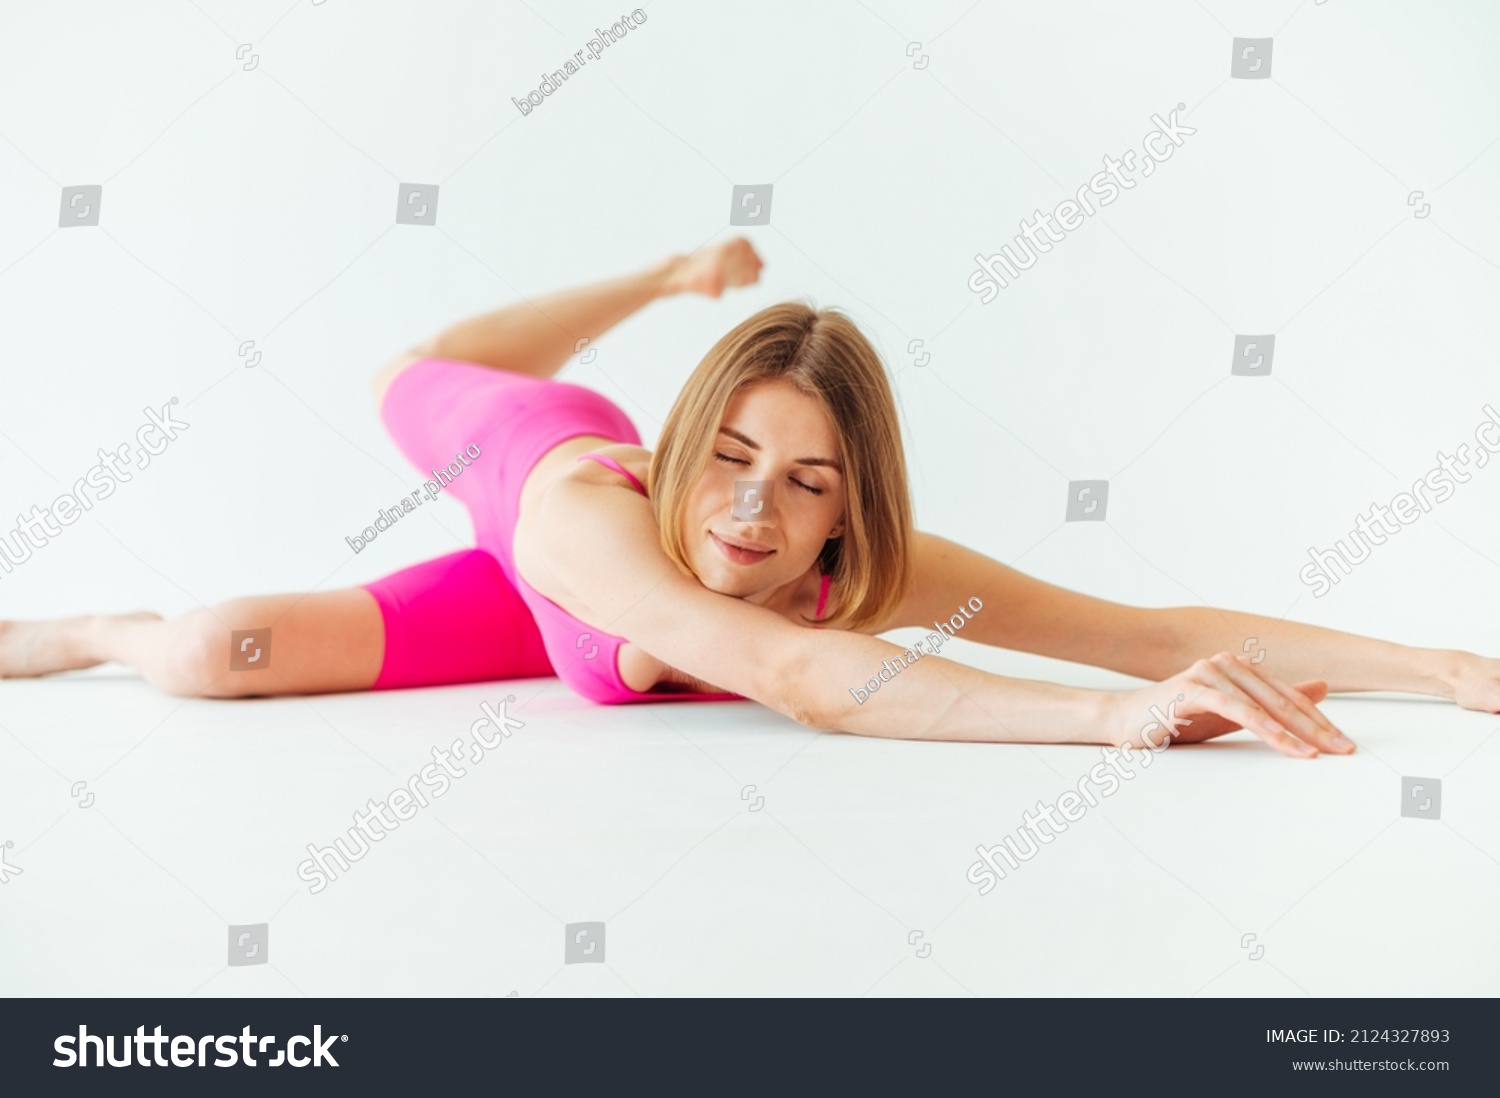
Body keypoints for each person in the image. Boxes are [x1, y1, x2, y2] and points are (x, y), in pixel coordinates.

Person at [3, 238, 1497, 757]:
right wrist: (1107, 723)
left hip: (567, 626)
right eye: (730, 455)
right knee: (212, 640)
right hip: (536, 488)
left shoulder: (840, 569)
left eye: (804, 484)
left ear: (849, 508)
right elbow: (797, 678)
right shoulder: (601, 505)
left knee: (233, 655)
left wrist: (1443, 667)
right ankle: (88, 627)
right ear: (684, 437)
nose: (751, 513)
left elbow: (1142, 624)